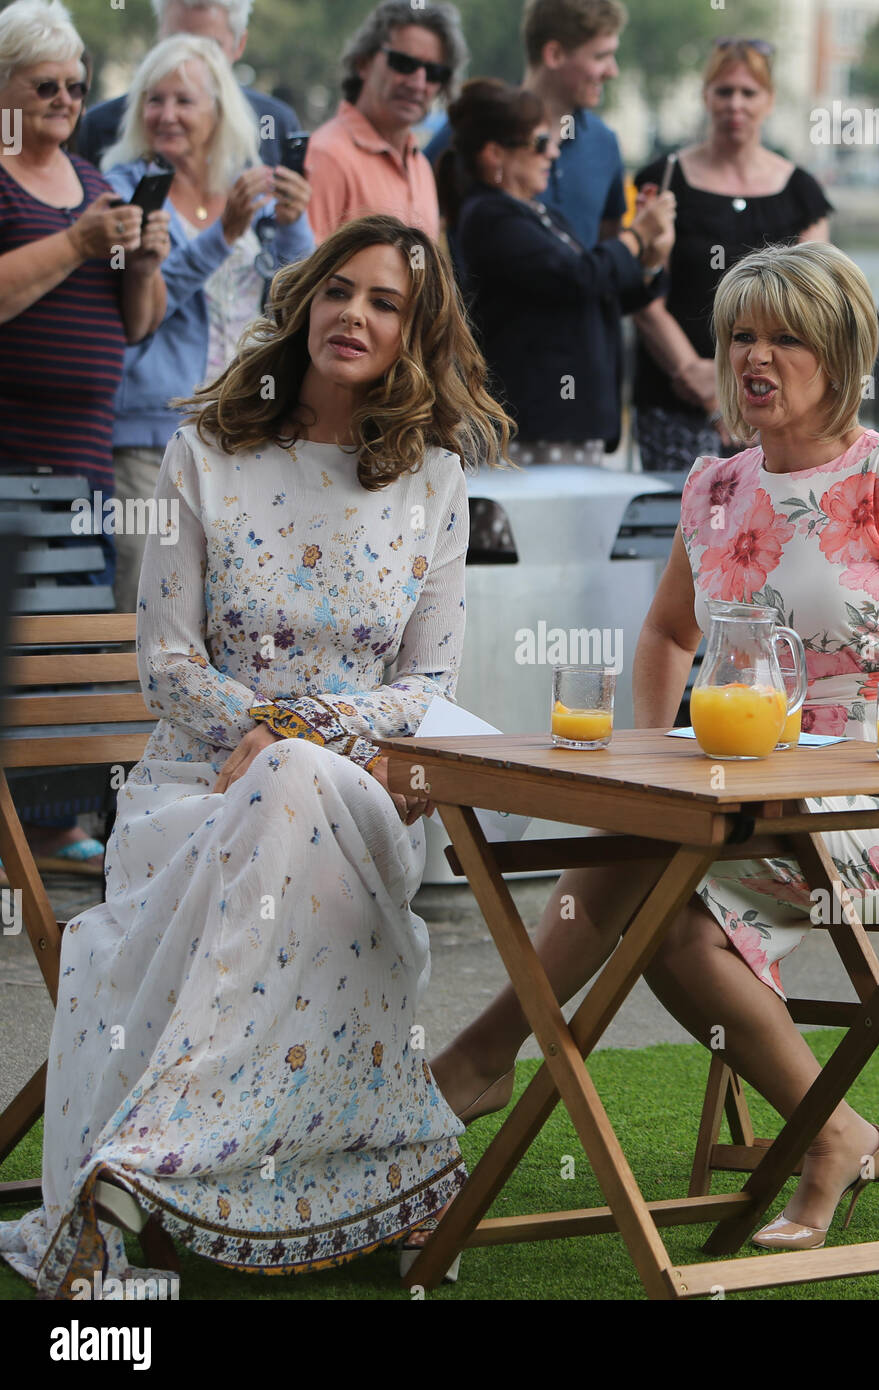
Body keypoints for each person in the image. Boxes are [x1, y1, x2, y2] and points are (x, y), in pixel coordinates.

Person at [429, 242, 879, 1253]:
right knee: (656, 887)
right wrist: (644, 749)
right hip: (752, 785)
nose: (758, 356)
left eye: (786, 338)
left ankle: (483, 1055)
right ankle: (834, 1131)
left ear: (840, 354)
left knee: (652, 860)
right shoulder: (713, 487)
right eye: (741, 336)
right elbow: (670, 633)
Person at [0, 213, 512, 1298]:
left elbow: (425, 690)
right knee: (282, 777)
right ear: (305, 301)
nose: (355, 315)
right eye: (341, 290)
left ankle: (142, 1167)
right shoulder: (209, 453)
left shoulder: (431, 480)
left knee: (292, 778)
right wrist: (268, 735)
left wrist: (293, 737)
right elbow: (167, 663)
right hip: (192, 793)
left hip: (356, 804)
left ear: (415, 334)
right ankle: (382, 1164)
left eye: (386, 302)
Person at [0, 0, 168, 878]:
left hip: (81, 457)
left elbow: (137, 325)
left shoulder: (98, 182)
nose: (66, 98)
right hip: (7, 452)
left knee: (71, 646)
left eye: (77, 85)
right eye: (45, 85)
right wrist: (75, 242)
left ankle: (58, 830)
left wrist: (141, 263)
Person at [103, 33, 314, 612]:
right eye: (153, 99)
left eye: (183, 101)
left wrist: (293, 220)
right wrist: (221, 235)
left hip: (244, 428)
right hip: (154, 431)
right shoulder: (126, 188)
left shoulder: (246, 187)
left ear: (220, 111)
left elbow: (304, 291)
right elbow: (142, 312)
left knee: (232, 608)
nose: (165, 114)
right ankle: (124, 709)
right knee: (146, 604)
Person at [439, 78, 673, 467]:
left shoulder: (539, 212)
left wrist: (650, 257)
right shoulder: (489, 215)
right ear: (495, 155)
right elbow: (577, 276)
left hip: (571, 422)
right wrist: (637, 235)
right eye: (539, 143)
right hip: (537, 424)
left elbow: (600, 289)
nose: (552, 152)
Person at [633, 38, 832, 473]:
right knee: (688, 529)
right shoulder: (663, 180)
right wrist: (700, 378)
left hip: (775, 404)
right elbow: (643, 289)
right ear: (706, 97)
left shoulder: (801, 193)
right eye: (724, 91)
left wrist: (748, 385)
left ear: (769, 101)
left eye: (748, 92)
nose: (735, 104)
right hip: (676, 400)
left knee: (769, 534)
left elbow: (817, 305)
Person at [428, 0, 629, 254]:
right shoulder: (471, 129)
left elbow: (607, 266)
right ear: (554, 54)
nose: (613, 71)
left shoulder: (604, 144)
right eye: (601, 56)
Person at [305, 1, 466, 243]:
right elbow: (304, 275)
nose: (418, 83)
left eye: (434, 72)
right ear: (363, 62)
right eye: (404, 64)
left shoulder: (419, 164)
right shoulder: (328, 156)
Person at [76, 0, 302, 171]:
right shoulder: (102, 125)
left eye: (209, 48)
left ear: (239, 45)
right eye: (176, 42)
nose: (191, 60)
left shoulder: (274, 125)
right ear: (159, 37)